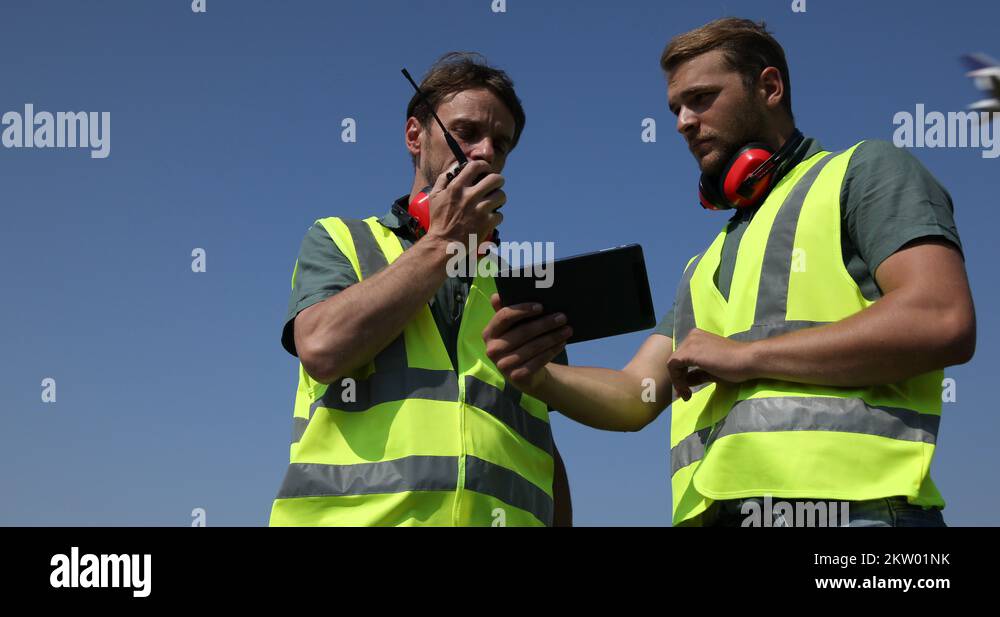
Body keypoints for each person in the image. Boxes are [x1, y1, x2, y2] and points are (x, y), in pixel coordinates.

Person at [481, 18, 975, 527]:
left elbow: (940, 319)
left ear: (769, 87)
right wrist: (538, 376)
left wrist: (747, 357)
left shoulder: (864, 170)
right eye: (675, 108)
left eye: (701, 98)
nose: (683, 122)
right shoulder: (704, 264)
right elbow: (635, 396)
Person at [269, 52, 572, 526]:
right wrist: (446, 241)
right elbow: (323, 350)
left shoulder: (519, 284)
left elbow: (540, 439)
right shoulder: (341, 240)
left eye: (501, 143)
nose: (486, 153)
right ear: (416, 136)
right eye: (467, 133)